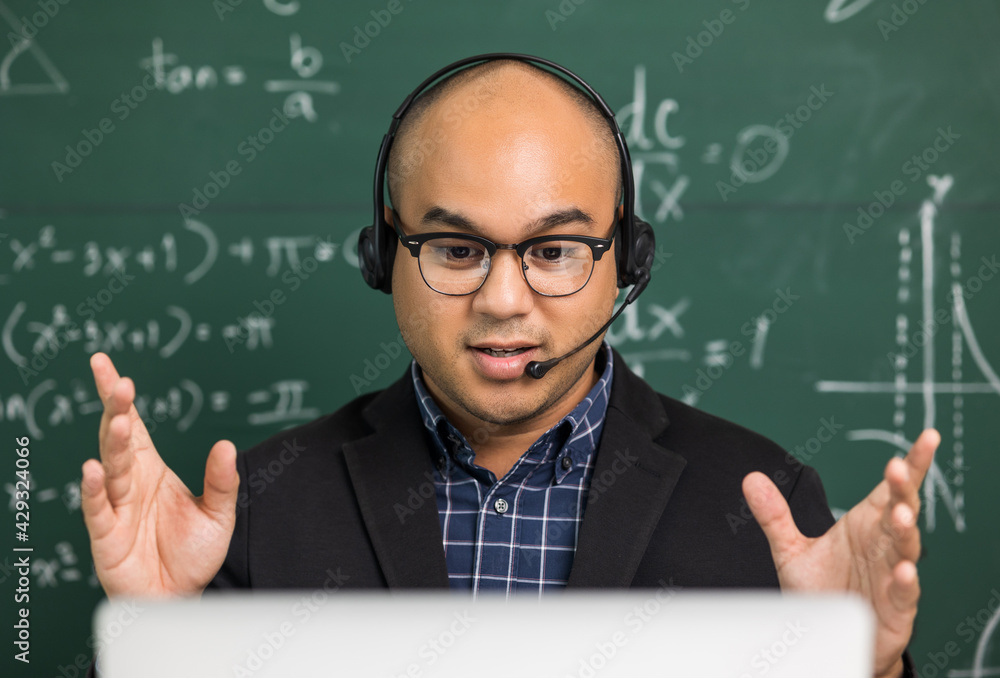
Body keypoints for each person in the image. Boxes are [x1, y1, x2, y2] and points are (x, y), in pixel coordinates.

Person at [82, 55, 937, 678]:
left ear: (627, 258)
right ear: (383, 253)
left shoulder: (765, 506)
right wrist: (158, 638)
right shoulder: (261, 509)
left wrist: (871, 670)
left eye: (555, 250)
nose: (502, 301)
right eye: (456, 249)